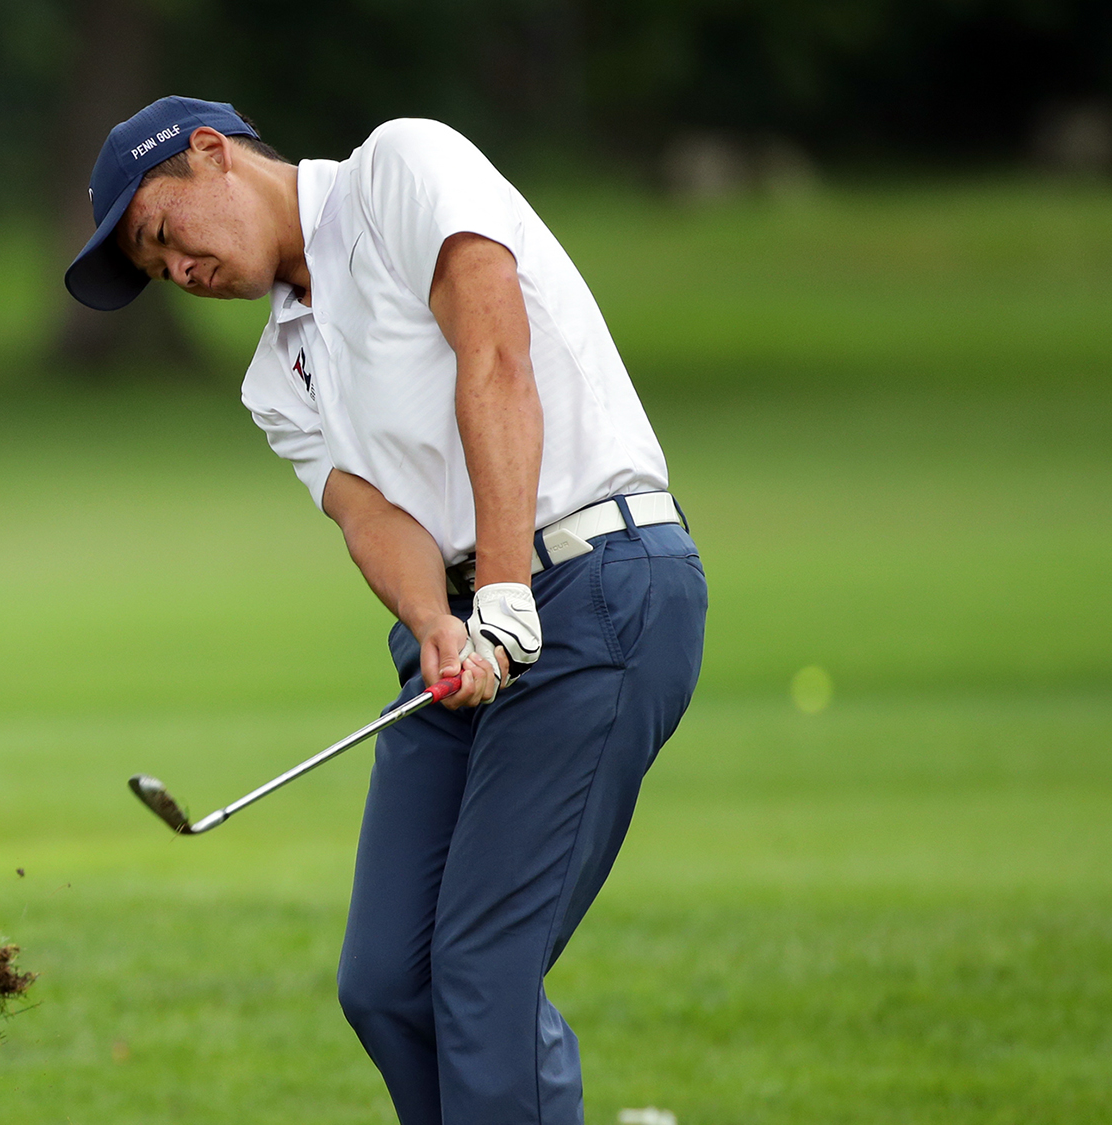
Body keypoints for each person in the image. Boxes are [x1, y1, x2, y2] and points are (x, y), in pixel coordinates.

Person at [63, 96, 709, 1124]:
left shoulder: (398, 170)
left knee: (479, 969)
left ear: (209, 156)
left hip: (595, 583)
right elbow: (371, 517)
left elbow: (494, 355)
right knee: (385, 983)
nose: (178, 273)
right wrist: (440, 622)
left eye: (162, 237)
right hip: (463, 634)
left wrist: (499, 585)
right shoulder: (275, 374)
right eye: (155, 272)